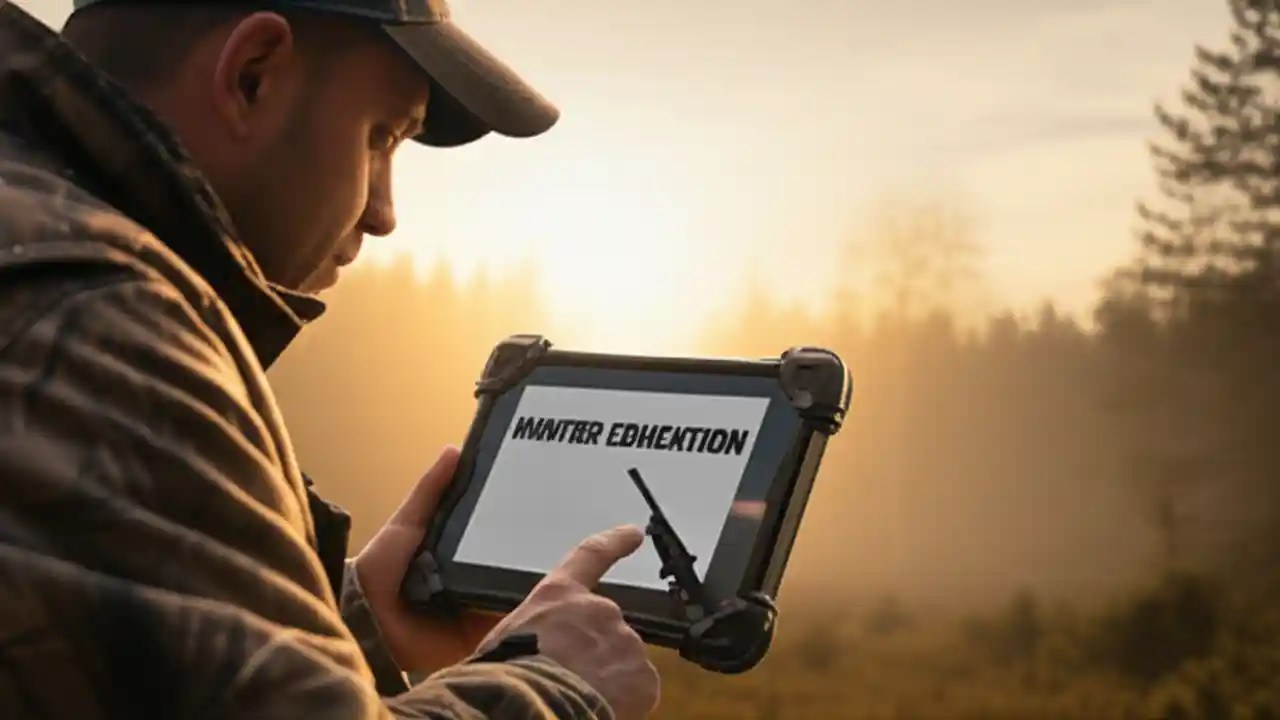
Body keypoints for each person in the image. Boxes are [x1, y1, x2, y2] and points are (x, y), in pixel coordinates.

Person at [0, 0, 661, 717]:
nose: (383, 213)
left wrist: (350, 622)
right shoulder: (92, 315)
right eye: (382, 137)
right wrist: (558, 686)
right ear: (252, 75)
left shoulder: (39, 245)